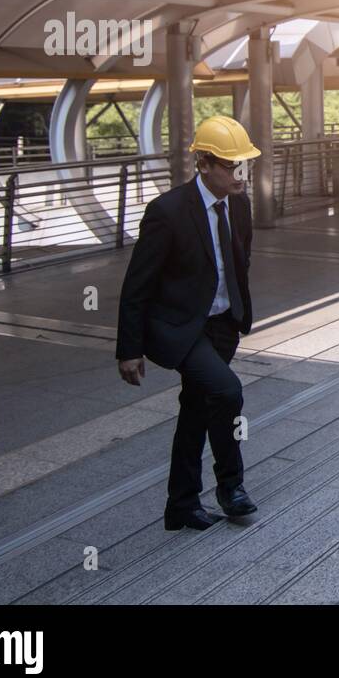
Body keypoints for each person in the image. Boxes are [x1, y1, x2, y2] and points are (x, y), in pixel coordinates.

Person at [116, 116, 262, 530]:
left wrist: (235, 314)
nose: (241, 174)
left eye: (245, 164)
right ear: (204, 164)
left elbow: (240, 259)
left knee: (197, 409)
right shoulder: (167, 211)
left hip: (222, 324)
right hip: (181, 327)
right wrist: (129, 348)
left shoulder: (240, 203)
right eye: (233, 166)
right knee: (227, 392)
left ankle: (181, 505)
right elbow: (137, 284)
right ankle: (231, 488)